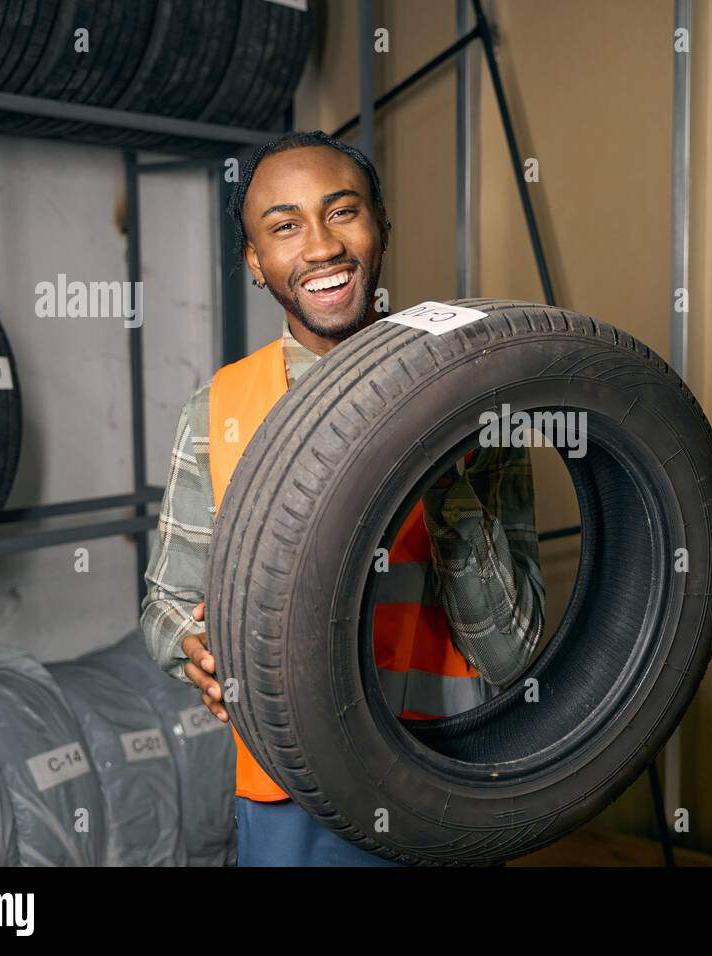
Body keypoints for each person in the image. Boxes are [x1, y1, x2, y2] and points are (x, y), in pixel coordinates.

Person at [140, 130, 545, 866]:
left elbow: (512, 653)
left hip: (448, 782)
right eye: (284, 226)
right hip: (291, 796)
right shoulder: (218, 410)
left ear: (380, 226)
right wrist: (193, 651)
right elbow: (166, 603)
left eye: (342, 212)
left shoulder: (482, 398)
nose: (321, 246)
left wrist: (444, 465)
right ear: (255, 264)